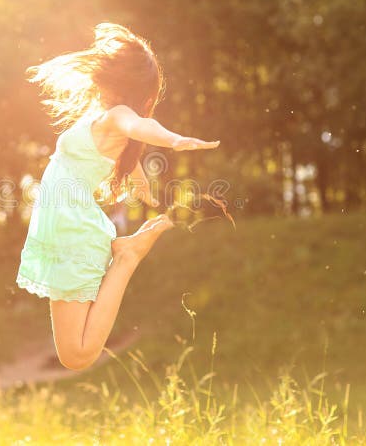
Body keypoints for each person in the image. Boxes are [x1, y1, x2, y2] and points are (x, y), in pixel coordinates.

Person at [16, 22, 219, 370]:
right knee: (75, 354)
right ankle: (128, 253)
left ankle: (128, 256)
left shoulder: (120, 116)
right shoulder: (100, 122)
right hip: (66, 225)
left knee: (78, 355)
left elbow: (142, 127)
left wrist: (173, 140)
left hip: (72, 227)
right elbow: (138, 182)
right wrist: (166, 206)